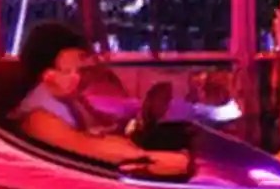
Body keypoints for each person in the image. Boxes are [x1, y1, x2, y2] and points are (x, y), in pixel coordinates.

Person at [12, 22, 189, 177]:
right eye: (71, 70)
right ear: (48, 75)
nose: (81, 75)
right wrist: (151, 158)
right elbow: (87, 148)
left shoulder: (70, 100)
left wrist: (138, 128)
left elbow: (100, 131)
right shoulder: (38, 118)